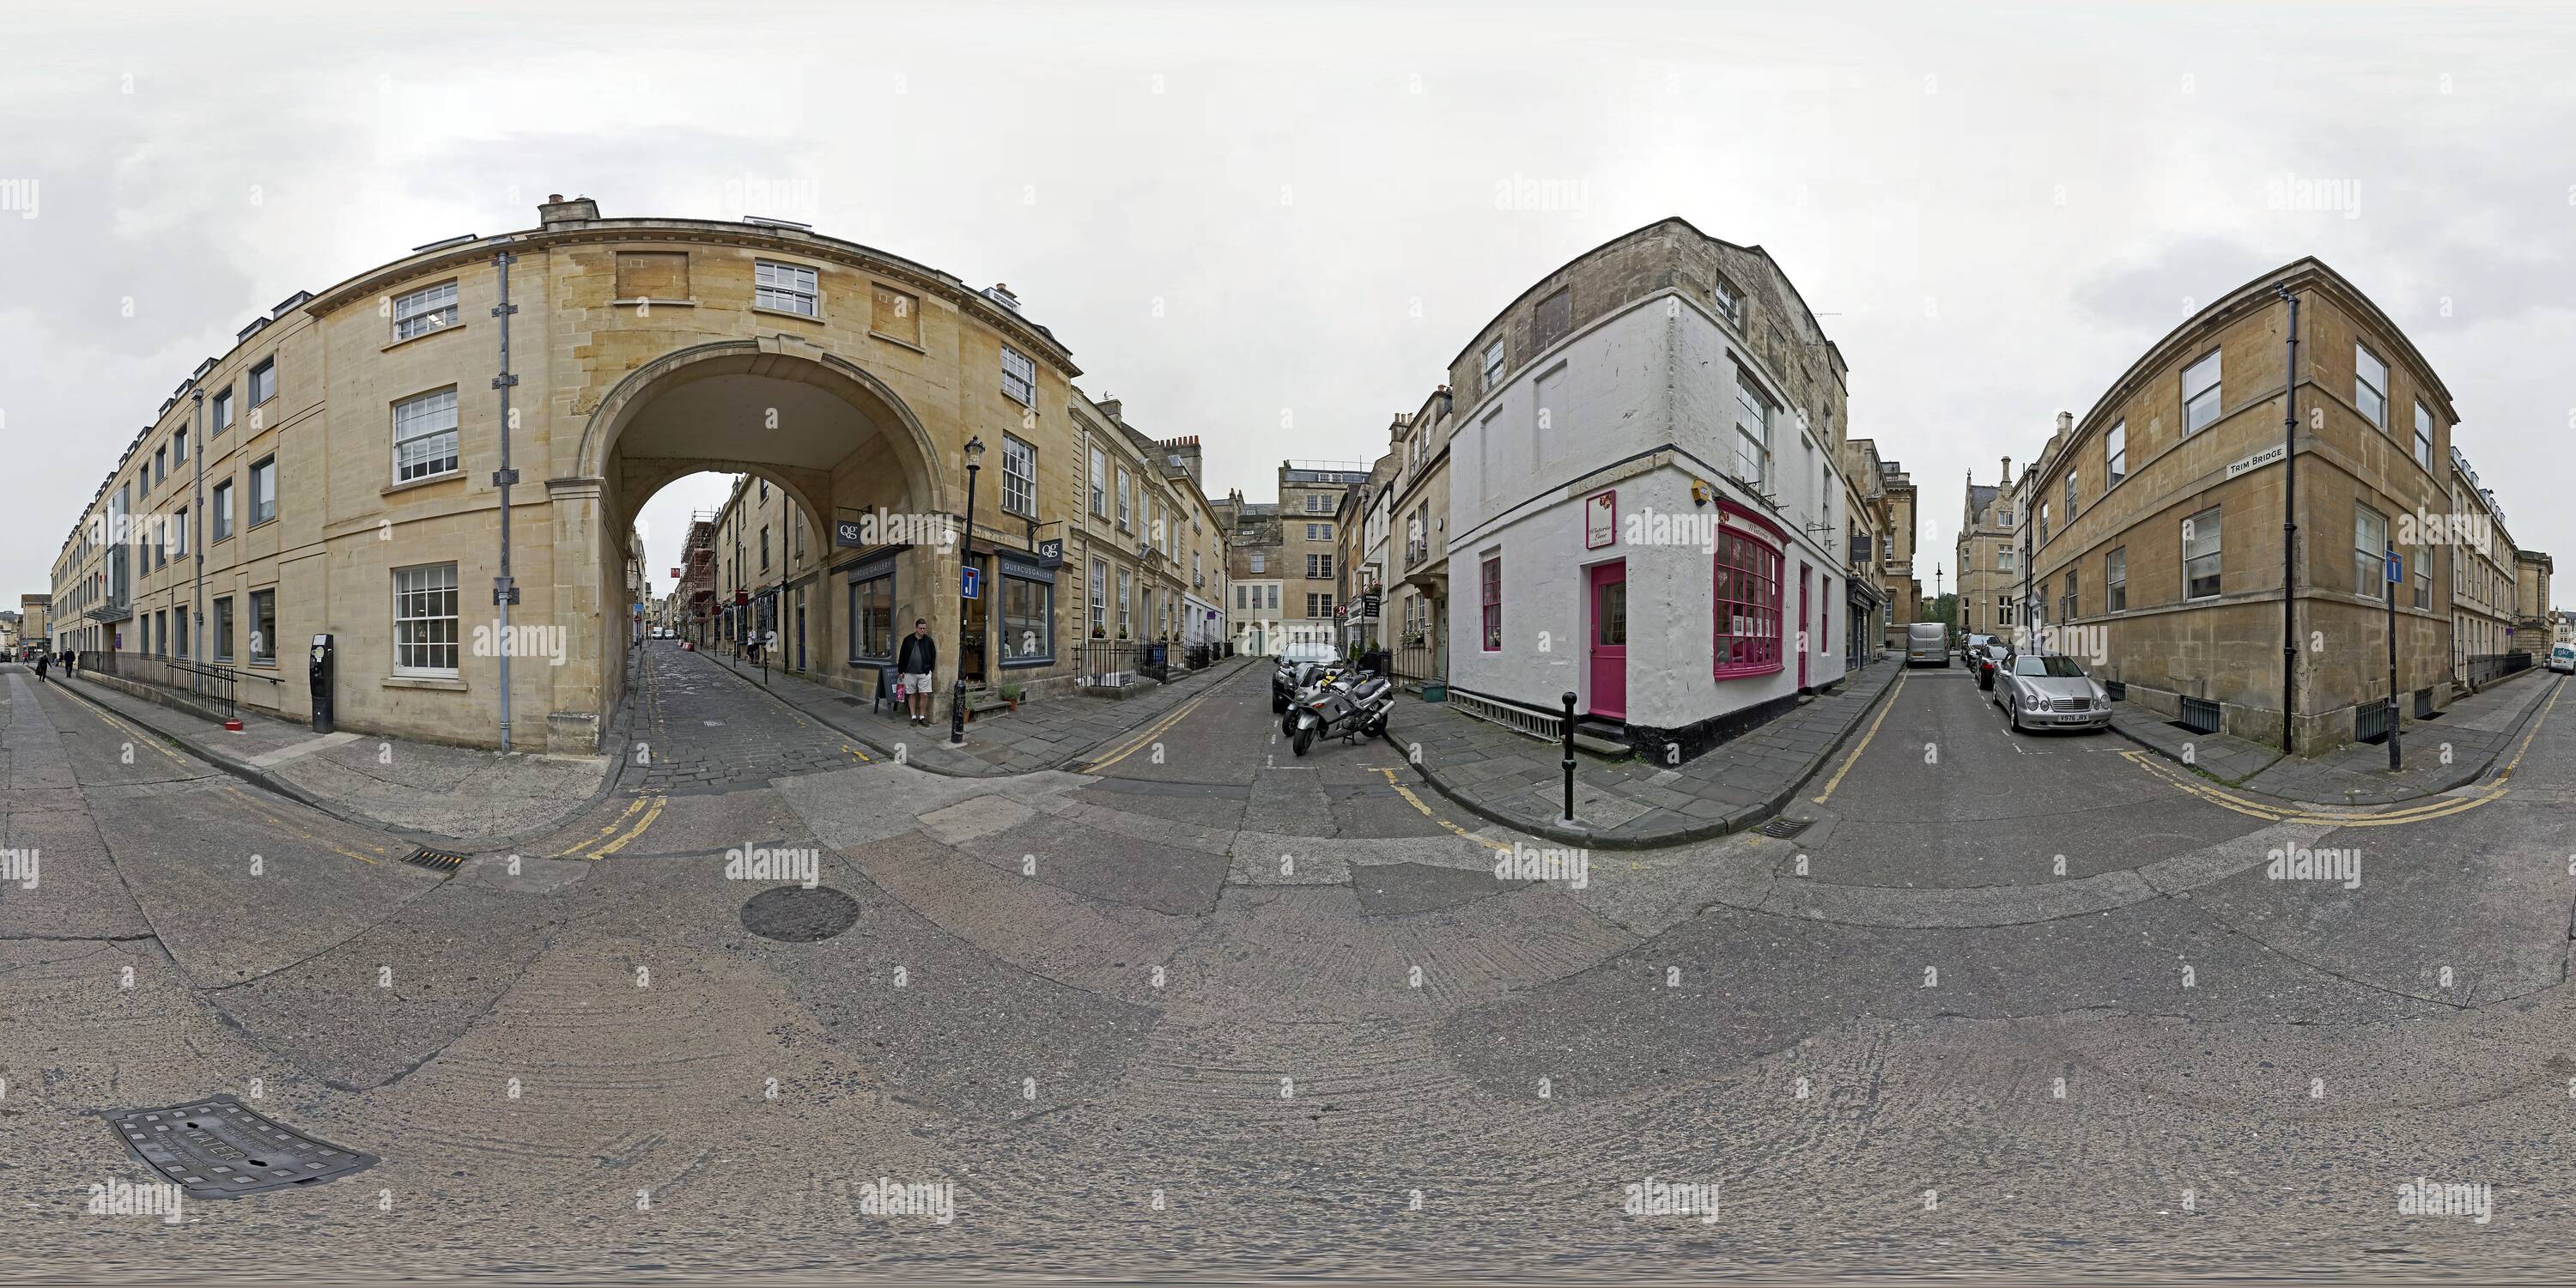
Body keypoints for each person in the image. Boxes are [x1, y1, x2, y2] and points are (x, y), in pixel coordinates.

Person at [896, 617, 938, 726]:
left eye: (924, 628)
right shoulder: (907, 640)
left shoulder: (929, 641)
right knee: (912, 694)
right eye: (921, 628)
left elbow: (933, 655)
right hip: (909, 673)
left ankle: (922, 717)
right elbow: (902, 655)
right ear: (916, 628)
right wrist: (900, 670)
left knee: (924, 694)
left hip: (924, 673)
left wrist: (930, 669)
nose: (923, 630)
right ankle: (913, 716)